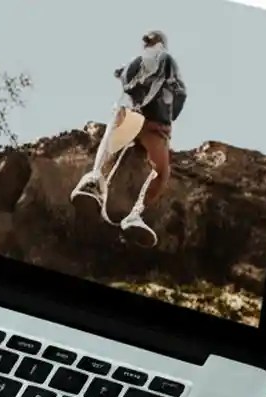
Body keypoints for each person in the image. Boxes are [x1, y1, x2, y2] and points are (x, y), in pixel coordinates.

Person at [71, 30, 187, 247]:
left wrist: (139, 99)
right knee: (161, 172)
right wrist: (164, 122)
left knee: (156, 167)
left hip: (141, 119)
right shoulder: (158, 64)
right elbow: (178, 97)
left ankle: (101, 186)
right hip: (152, 125)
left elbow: (136, 82)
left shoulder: (158, 60)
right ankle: (128, 208)